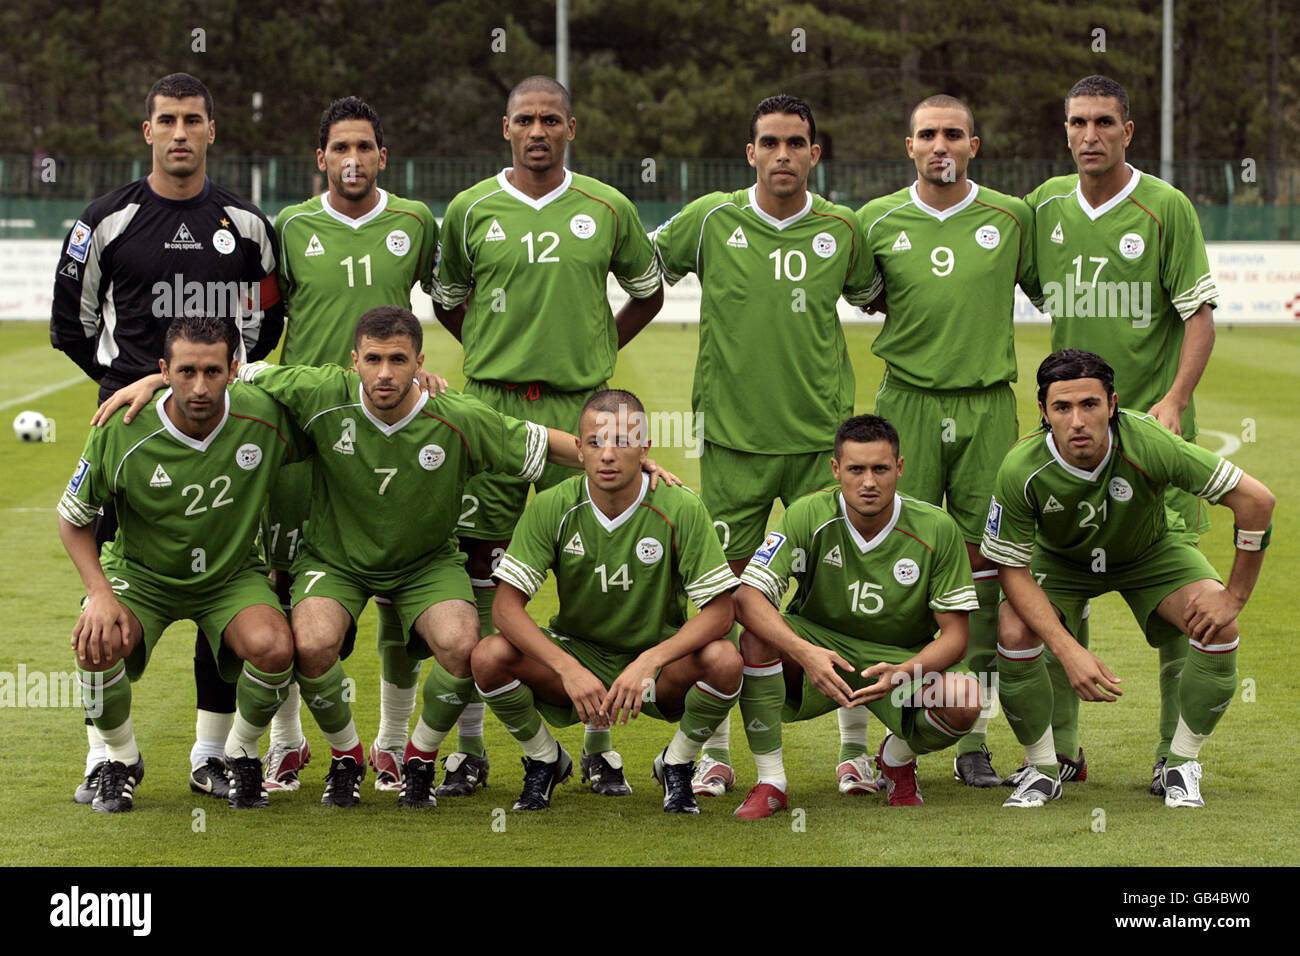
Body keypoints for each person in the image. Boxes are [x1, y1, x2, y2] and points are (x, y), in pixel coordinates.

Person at [235, 306, 676, 807]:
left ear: (419, 362)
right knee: (312, 644)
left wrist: (618, 454)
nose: (385, 373)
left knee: (463, 644)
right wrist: (147, 385)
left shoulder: (457, 416)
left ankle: (418, 758)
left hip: (426, 563)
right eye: (374, 359)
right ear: (353, 361)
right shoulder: (319, 392)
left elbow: (531, 441)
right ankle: (347, 756)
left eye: (398, 360)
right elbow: (231, 373)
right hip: (337, 561)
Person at [49, 72, 284, 804]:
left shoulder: (247, 226)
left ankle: (213, 754)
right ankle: (107, 757)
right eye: (166, 120)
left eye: (193, 120)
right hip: (130, 432)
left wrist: (198, 384)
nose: (180, 132)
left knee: (221, 577)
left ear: (212, 132)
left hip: (222, 418)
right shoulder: (103, 220)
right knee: (113, 604)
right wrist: (137, 384)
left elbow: (268, 322)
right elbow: (72, 325)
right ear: (146, 132)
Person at [432, 75, 663, 796]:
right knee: (481, 571)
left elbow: (648, 290)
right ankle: (472, 748)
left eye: (551, 121)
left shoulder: (608, 207)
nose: (538, 131)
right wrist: (493, 350)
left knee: (594, 567)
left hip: (583, 409)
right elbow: (448, 301)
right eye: (526, 120)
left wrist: (599, 349)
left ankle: (600, 746)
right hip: (493, 408)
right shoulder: (469, 209)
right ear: (506, 127)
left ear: (572, 128)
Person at [652, 94, 878, 798]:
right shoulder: (711, 220)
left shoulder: (843, 228)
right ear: (750, 152)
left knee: (841, 598)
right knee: (723, 601)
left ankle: (854, 751)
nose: (783, 154)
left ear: (815, 153)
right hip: (733, 441)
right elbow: (642, 269)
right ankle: (715, 753)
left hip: (820, 444)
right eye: (769, 142)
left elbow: (876, 296)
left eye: (797, 142)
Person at [1022, 75, 1220, 792]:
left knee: (1183, 615)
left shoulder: (1165, 207)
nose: (1090, 135)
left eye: (1104, 122)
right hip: (1070, 444)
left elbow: (1199, 315)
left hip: (1151, 450)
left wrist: (1173, 400)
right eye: (1077, 122)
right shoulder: (1044, 206)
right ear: (1065, 129)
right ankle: (1063, 754)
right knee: (1055, 604)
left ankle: (1175, 758)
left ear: (1128, 131)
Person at [981, 350, 1272, 808]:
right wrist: (1069, 648)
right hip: (1062, 563)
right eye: (1062, 408)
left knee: (1220, 625)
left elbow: (1256, 501)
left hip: (1150, 552)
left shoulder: (1149, 442)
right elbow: (1011, 568)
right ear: (1043, 413)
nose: (1077, 420)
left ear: (1112, 404)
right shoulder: (1021, 468)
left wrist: (1233, 597)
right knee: (1014, 630)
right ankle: (1041, 768)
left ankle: (1179, 763)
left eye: (1090, 405)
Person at [856, 95, 1033, 788]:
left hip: (988, 407)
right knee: (895, 568)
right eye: (927, 134)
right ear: (908, 146)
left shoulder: (1012, 218)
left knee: (985, 574)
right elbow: (865, 294)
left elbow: (1057, 291)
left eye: (953, 134)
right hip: (906, 405)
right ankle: (891, 730)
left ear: (974, 144)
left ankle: (973, 739)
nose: (940, 145)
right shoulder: (874, 221)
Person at [57, 315, 302, 812]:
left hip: (230, 576)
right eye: (186, 371)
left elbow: (347, 410)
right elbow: (73, 518)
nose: (199, 386)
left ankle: (236, 754)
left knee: (274, 648)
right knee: (94, 638)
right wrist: (100, 594)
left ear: (235, 369)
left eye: (213, 371)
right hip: (142, 576)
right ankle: (120, 761)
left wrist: (421, 389)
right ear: (163, 370)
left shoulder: (266, 415)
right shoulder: (123, 426)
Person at [472, 390, 741, 813]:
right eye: (595, 443)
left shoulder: (681, 507)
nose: (608, 455)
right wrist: (569, 669)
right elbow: (506, 610)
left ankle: (676, 763)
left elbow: (721, 611)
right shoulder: (551, 507)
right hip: (578, 657)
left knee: (725, 660)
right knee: (488, 656)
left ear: (645, 448)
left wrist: (649, 661)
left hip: (657, 666)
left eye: (622, 442)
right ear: (578, 450)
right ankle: (545, 759)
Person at [730, 414, 982, 817]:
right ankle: (771, 782)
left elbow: (956, 637)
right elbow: (747, 598)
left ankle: (896, 757)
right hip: (820, 645)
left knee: (966, 698)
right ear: (836, 470)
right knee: (755, 638)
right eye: (856, 469)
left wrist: (907, 669)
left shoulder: (937, 528)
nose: (869, 482)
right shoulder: (807, 514)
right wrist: (804, 651)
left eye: (881, 469)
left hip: (898, 657)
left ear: (899, 468)